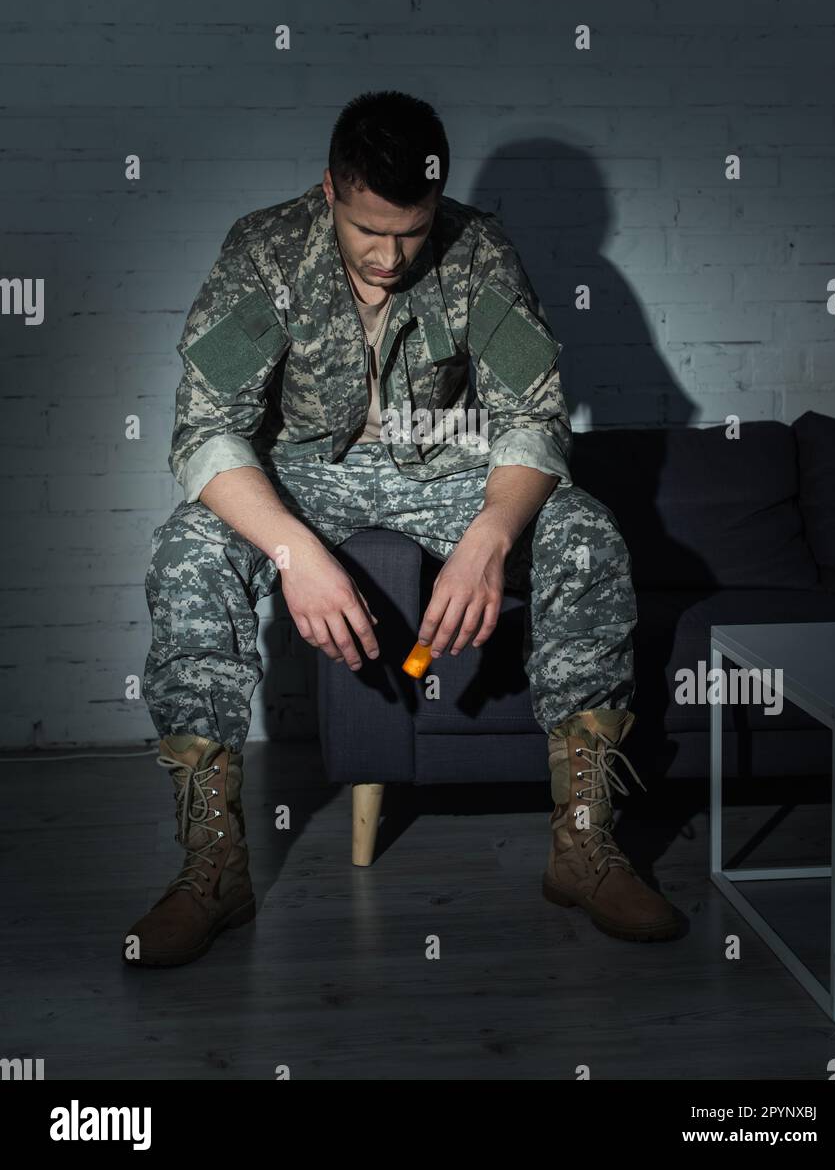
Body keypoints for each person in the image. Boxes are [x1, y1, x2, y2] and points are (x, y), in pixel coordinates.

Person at [124, 90, 685, 967]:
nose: (388, 258)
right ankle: (212, 870)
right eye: (366, 232)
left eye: (411, 232)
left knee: (587, 534)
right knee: (186, 551)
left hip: (448, 467)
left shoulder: (480, 248)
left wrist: (490, 539)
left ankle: (583, 848)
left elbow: (531, 420)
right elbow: (208, 428)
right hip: (300, 478)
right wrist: (293, 551)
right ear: (330, 191)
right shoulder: (264, 250)